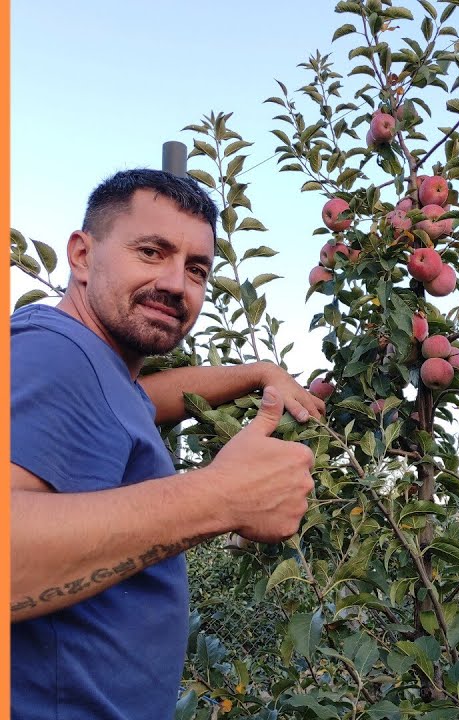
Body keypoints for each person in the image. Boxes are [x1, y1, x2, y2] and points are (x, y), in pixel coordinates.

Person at [10, 169, 326, 719]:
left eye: (196, 269)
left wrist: (259, 372)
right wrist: (222, 497)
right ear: (82, 255)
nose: (177, 284)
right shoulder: (54, 355)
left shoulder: (98, 370)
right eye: (151, 252)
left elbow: (142, 400)